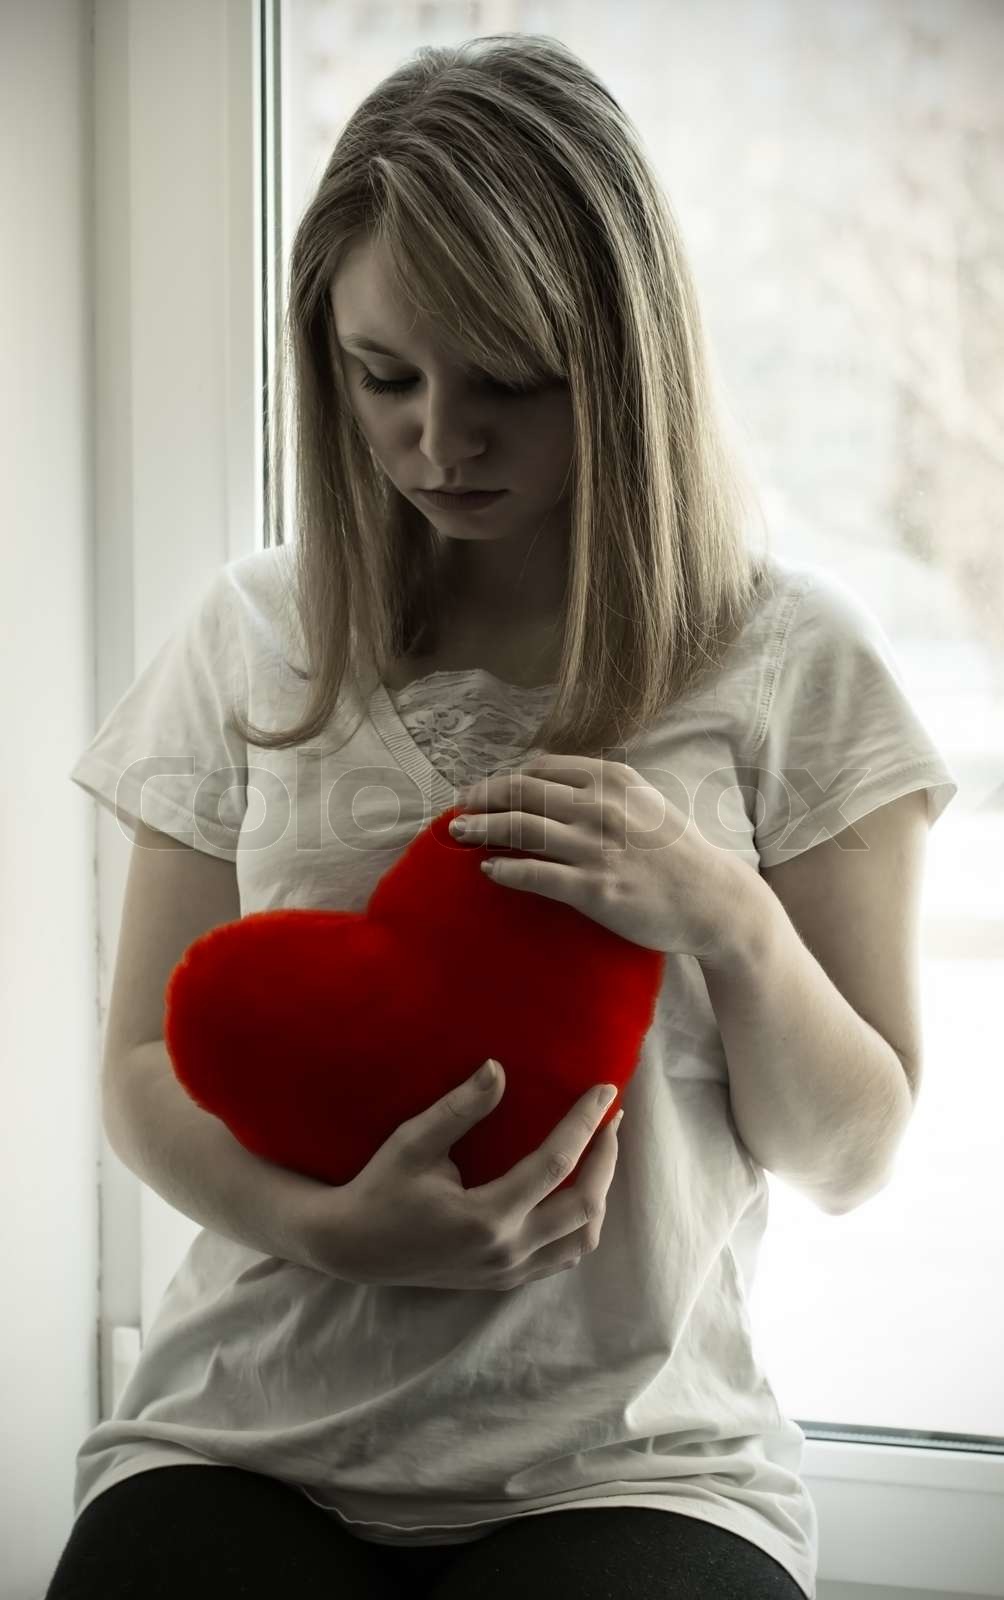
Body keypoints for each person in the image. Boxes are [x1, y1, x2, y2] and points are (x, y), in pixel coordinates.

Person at [48, 32, 957, 1600]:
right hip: (239, 1441)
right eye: (384, 376)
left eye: (511, 386)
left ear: (626, 360)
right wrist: (329, 1231)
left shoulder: (793, 657)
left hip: (643, 1466)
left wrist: (728, 921)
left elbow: (851, 1153)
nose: (440, 442)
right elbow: (141, 1078)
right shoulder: (251, 632)